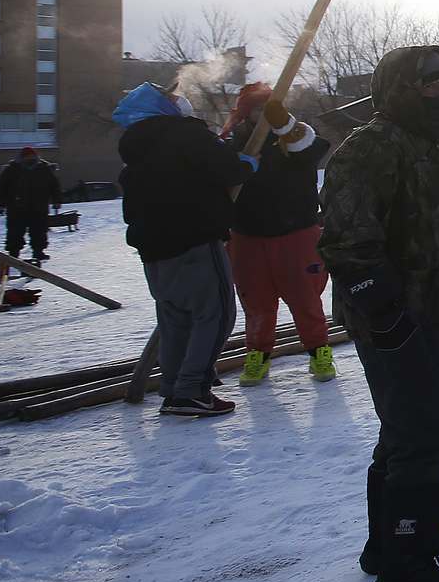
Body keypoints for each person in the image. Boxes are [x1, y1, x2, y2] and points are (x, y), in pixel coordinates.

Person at [319, 45, 439, 582]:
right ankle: (407, 568)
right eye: (430, 83)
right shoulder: (368, 150)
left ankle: (389, 539)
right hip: (390, 320)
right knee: (424, 434)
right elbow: (347, 241)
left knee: (404, 430)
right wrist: (384, 312)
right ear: (399, 88)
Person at [113, 83, 253, 419]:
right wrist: (245, 165)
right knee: (216, 314)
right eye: (173, 98)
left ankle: (175, 386)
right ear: (163, 107)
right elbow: (228, 169)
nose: (181, 101)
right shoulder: (187, 135)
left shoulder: (137, 147)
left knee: (175, 318)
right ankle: (192, 391)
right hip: (195, 239)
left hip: (154, 249)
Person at [221, 82, 336, 386]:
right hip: (248, 236)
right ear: (246, 114)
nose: (262, 116)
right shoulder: (232, 145)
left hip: (296, 232)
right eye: (256, 110)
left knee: (305, 299)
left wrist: (285, 125)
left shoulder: (294, 137)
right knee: (257, 303)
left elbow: (314, 151)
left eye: (266, 109)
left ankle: (319, 352)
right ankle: (257, 355)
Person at [0, 146, 63, 263]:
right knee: (15, 232)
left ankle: (38, 252)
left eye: (32, 156)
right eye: (27, 156)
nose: (30, 158)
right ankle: (13, 254)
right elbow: (1, 188)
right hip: (16, 208)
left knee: (39, 231)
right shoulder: (12, 169)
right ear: (22, 157)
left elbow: (54, 186)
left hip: (38, 207)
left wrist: (57, 200)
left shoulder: (44, 169)